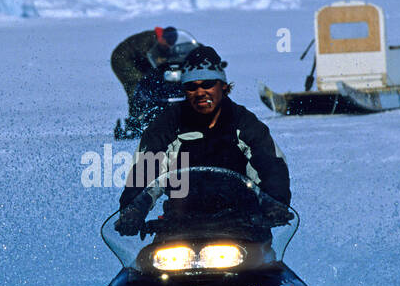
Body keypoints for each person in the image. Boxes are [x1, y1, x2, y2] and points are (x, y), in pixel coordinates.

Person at [117, 46, 292, 233]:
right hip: (179, 225)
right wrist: (133, 209)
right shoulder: (167, 124)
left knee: (266, 263)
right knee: (145, 261)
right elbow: (146, 169)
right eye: (192, 86)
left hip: (243, 223)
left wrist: (275, 203)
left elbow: (271, 165)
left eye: (207, 84)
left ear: (223, 86)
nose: (200, 92)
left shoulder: (244, 122)